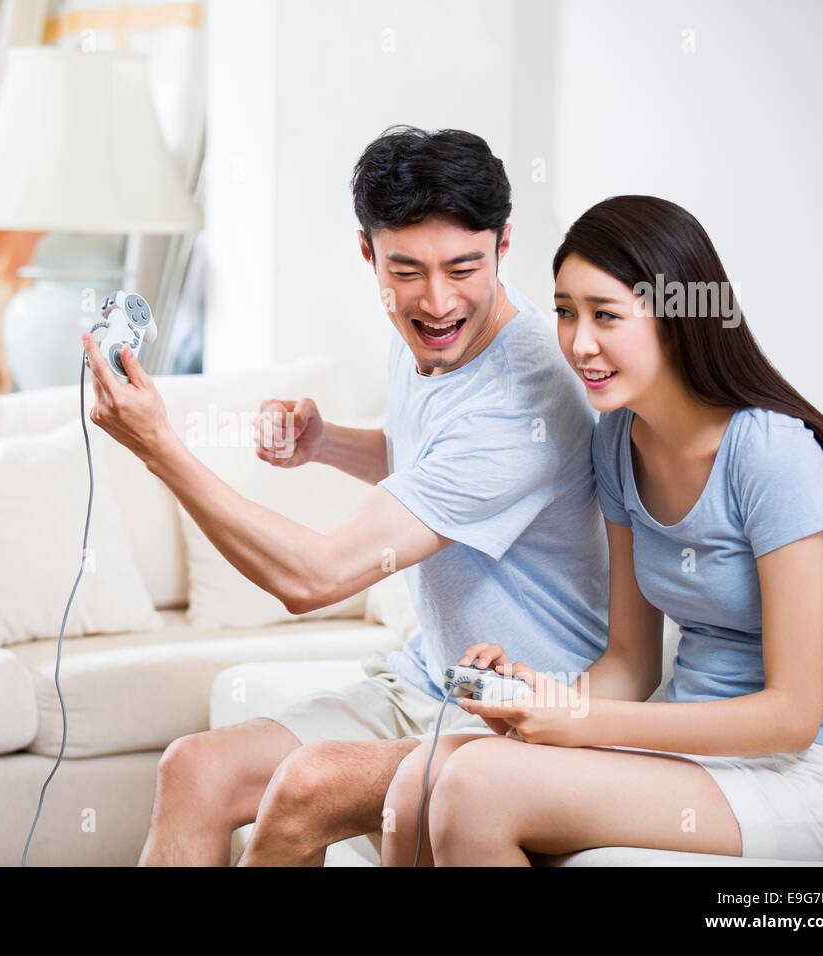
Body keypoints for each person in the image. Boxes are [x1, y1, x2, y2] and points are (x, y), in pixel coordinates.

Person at [80, 126, 608, 866]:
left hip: (519, 718)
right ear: (368, 252)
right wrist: (328, 443)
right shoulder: (428, 330)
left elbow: (315, 580)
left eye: (464, 267)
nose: (437, 299)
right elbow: (432, 469)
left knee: (309, 785)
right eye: (407, 269)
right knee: (192, 770)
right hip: (434, 678)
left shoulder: (522, 401)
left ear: (503, 245)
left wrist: (159, 449)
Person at [384, 194, 823, 865]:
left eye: (606, 316)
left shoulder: (772, 454)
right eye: (565, 312)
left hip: (805, 771)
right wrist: (540, 701)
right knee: (419, 778)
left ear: (676, 318)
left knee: (476, 785)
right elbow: (631, 662)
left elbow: (794, 715)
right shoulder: (618, 441)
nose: (579, 344)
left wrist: (585, 724)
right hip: (691, 750)